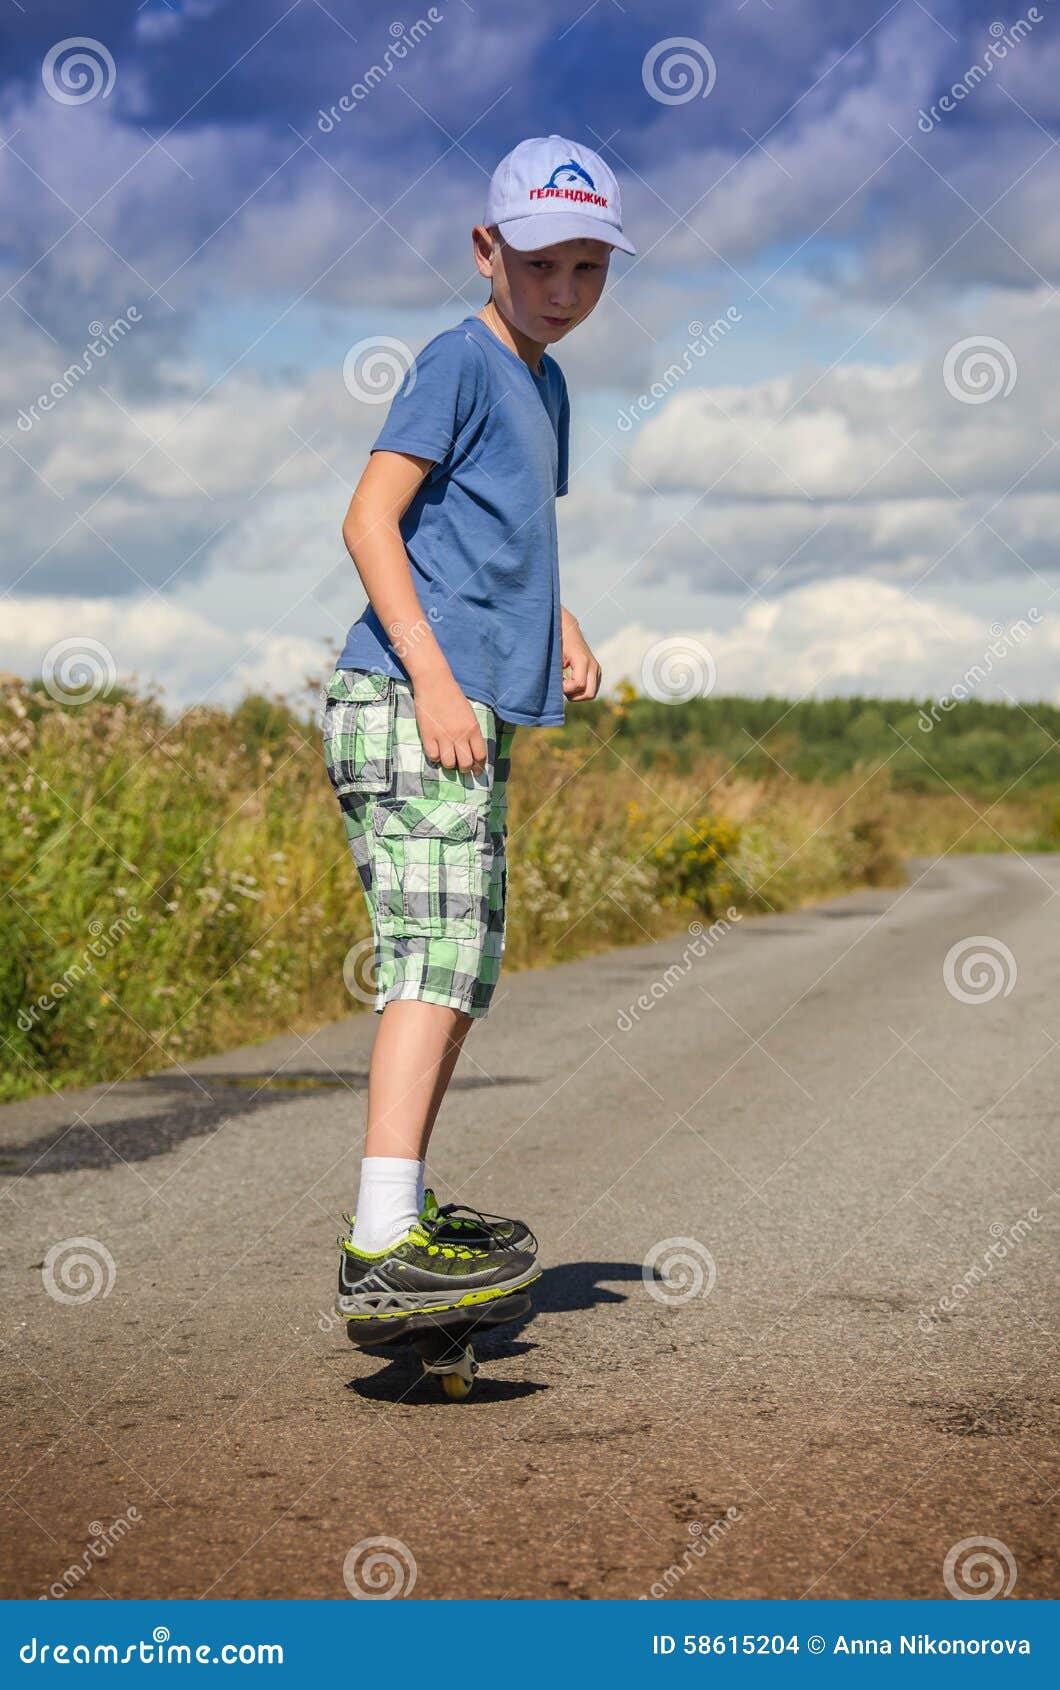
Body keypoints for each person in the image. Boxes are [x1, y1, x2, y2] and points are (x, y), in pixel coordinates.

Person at [322, 134, 635, 1324]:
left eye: (589, 271)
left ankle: (402, 1205)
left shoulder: (545, 383)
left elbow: (493, 535)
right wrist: (438, 680)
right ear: (485, 248)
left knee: (462, 964)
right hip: (408, 701)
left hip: (456, 708)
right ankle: (381, 1235)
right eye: (542, 265)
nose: (565, 293)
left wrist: (557, 618)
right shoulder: (457, 360)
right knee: (429, 960)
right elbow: (369, 523)